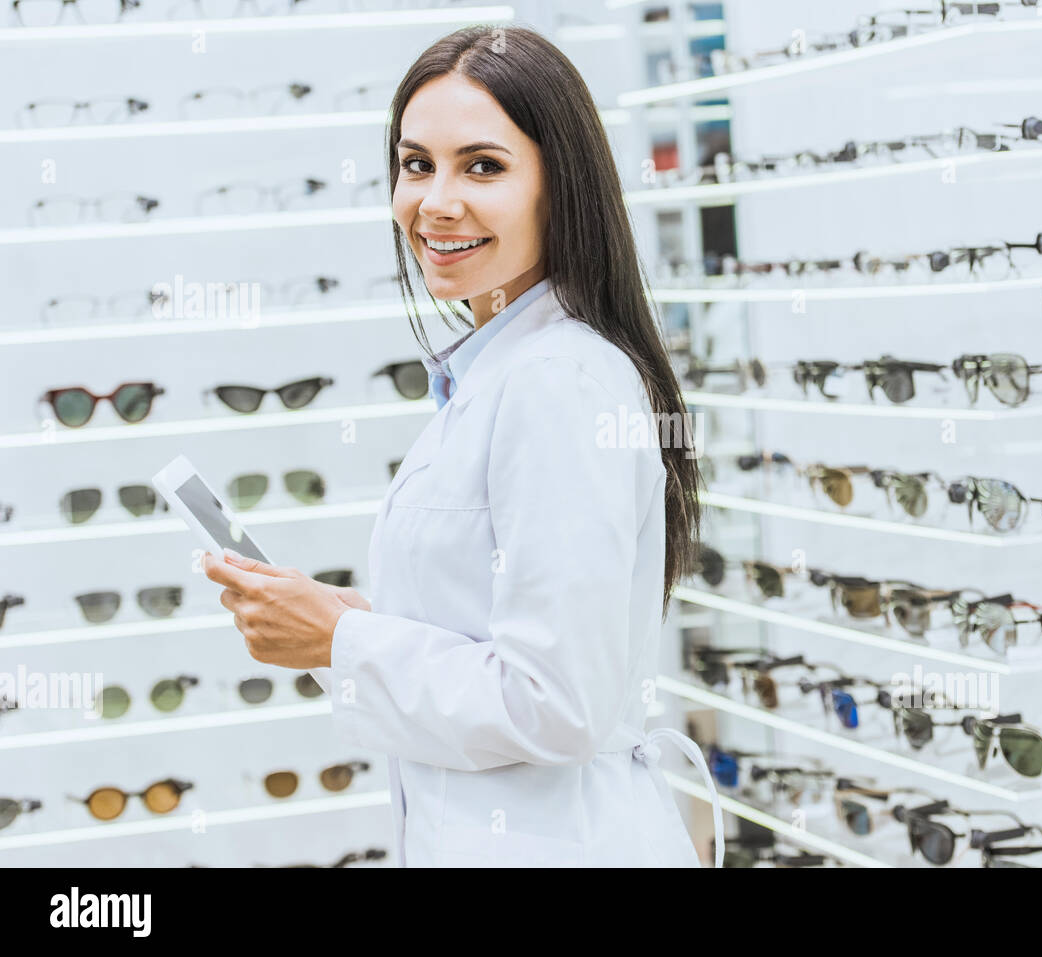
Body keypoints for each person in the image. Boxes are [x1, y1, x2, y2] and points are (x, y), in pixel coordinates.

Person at [202, 23, 723, 867]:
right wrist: (336, 619)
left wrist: (341, 644)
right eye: (416, 164)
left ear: (562, 184)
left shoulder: (559, 382)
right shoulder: (502, 369)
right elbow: (497, 635)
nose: (436, 201)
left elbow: (556, 699)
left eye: (483, 165)